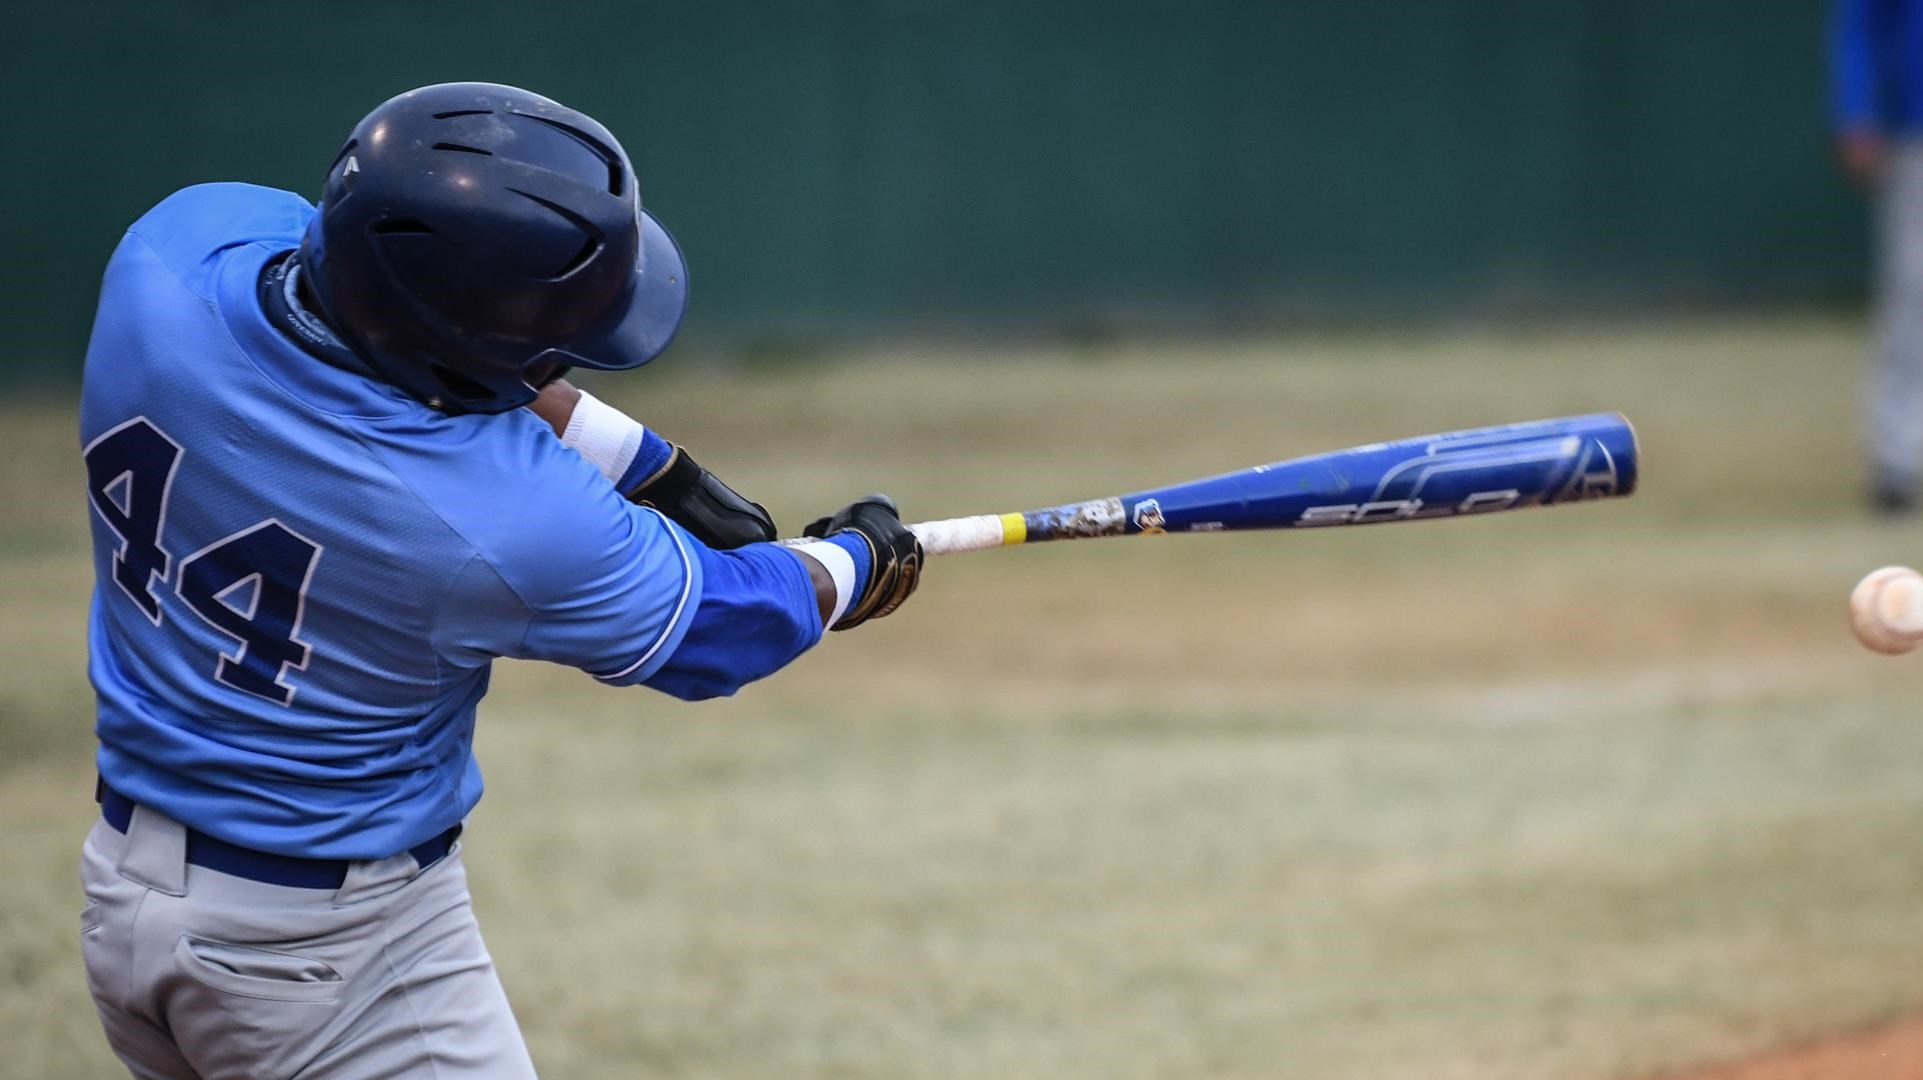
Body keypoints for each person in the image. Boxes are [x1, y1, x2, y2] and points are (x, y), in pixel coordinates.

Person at [75, 82, 922, 1078]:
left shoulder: (174, 250)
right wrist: (855, 562)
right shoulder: (493, 519)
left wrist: (657, 469)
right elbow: (722, 627)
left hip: (123, 897)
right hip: (331, 962)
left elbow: (401, 339)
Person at [1834, 0, 1923, 513]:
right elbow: (1859, 21)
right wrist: (1857, 107)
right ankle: (1898, 461)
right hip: (1913, 124)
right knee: (1911, 290)